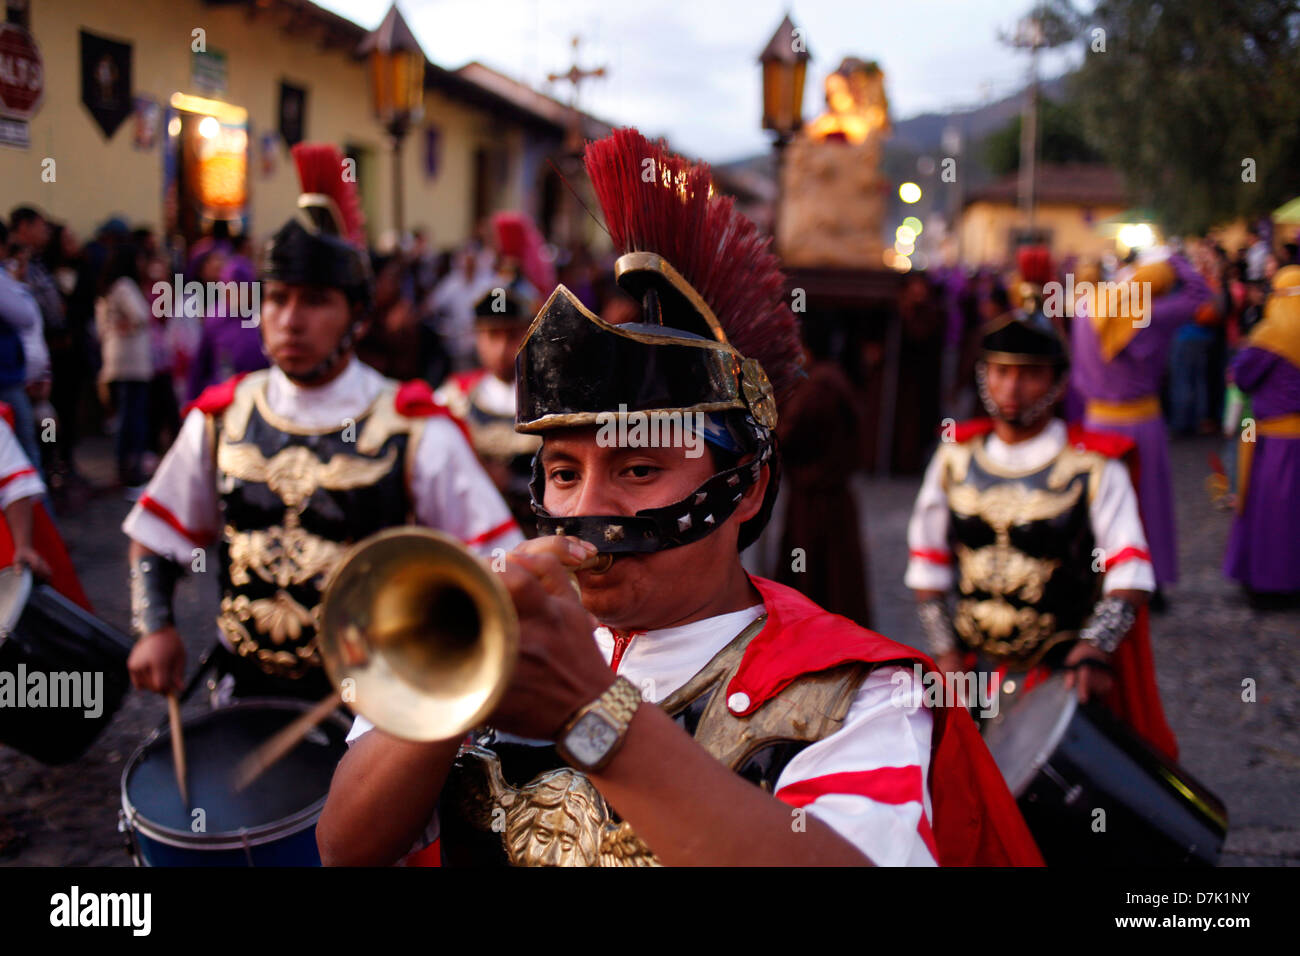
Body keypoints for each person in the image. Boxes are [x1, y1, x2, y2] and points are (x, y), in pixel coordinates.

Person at [317, 129, 1042, 868]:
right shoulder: (499, 645)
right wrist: (450, 682)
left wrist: (593, 712)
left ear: (747, 486)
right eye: (564, 474)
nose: (586, 514)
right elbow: (344, 846)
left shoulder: (858, 698)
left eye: (637, 471)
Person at [121, 143, 522, 705]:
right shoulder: (223, 416)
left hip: (371, 714)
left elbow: (499, 565)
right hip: (239, 695)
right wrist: (155, 626)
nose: (290, 320)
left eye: (315, 301)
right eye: (278, 299)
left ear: (357, 316)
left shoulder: (411, 428)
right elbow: (156, 537)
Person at [905, 289, 1178, 761]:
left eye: (1030, 374)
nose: (1012, 388)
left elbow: (1129, 572)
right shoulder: (954, 457)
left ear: (1056, 381)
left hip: (1060, 674)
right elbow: (927, 565)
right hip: (971, 668)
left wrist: (1096, 649)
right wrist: (946, 654)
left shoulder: (1094, 466)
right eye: (1002, 372)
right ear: (984, 374)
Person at [1070, 248, 1212, 600]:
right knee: (1145, 500)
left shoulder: (1089, 306)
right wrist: (1178, 262)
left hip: (1096, 419)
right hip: (1140, 421)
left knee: (1098, 501)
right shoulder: (1153, 312)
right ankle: (1145, 578)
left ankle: (1097, 574)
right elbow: (1202, 298)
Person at [434, 280, 541, 535]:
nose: (502, 348)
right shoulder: (452, 399)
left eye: (513, 335)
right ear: (477, 337)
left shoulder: (553, 399)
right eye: (492, 335)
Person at [1223, 265, 1300, 605]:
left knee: (1272, 512)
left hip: (1276, 440)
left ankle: (1271, 584)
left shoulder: (1271, 334)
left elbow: (1242, 378)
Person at [95, 241, 153, 490]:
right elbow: (141, 315)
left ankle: (122, 468)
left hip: (112, 356)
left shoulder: (106, 289)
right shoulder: (126, 286)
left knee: (123, 416)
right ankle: (133, 470)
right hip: (132, 359)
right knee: (134, 417)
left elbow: (99, 327)